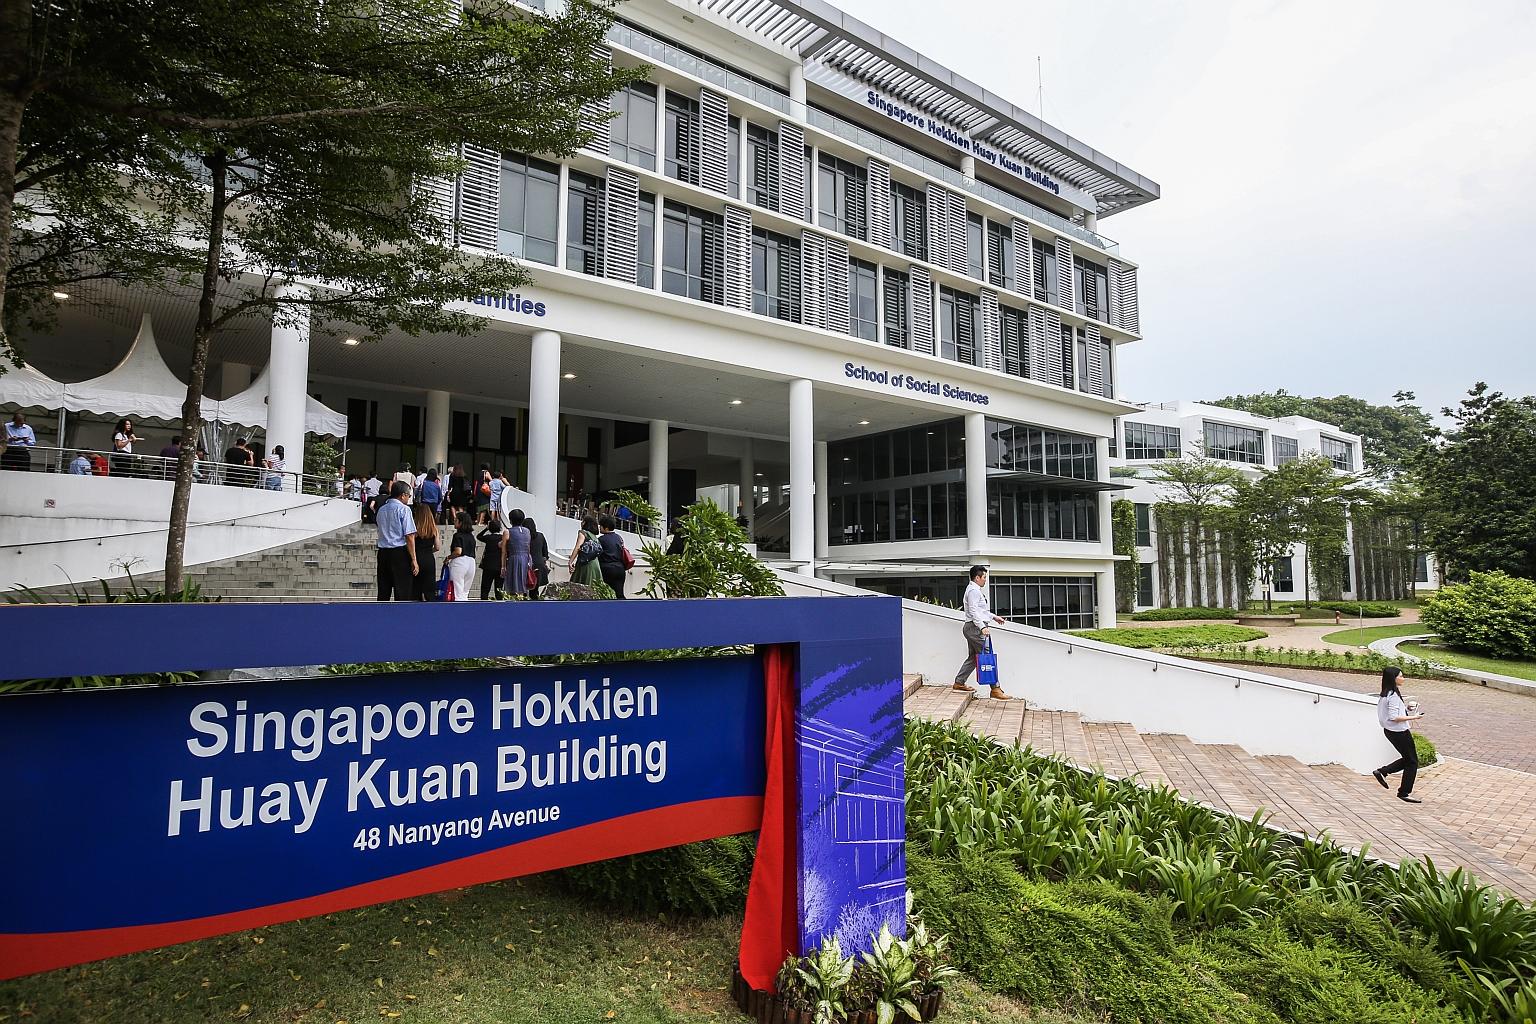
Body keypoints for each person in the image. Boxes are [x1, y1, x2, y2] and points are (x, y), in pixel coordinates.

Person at [954, 565, 1012, 700]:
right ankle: (995, 689)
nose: (985, 580)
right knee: (987, 655)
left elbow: (981, 611)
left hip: (972, 628)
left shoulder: (974, 590)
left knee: (974, 658)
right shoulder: (974, 591)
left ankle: (959, 682)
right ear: (977, 577)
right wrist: (982, 627)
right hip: (975, 628)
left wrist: (994, 617)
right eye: (984, 577)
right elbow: (974, 611)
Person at [1374, 667, 1426, 803]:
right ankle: (1404, 792)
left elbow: (1392, 713)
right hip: (1399, 732)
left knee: (1409, 759)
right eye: (1401, 676)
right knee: (1412, 762)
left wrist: (1407, 709)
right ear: (1394, 678)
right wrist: (1414, 717)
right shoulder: (1393, 695)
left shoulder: (1386, 693)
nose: (1403, 678)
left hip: (1390, 731)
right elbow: (1394, 717)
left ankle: (1383, 772)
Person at [375, 481, 418, 601]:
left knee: (383, 590)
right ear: (403, 495)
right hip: (399, 552)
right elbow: (409, 536)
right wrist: (414, 559)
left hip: (383, 552)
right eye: (409, 496)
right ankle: (402, 617)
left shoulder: (381, 510)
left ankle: (382, 615)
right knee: (402, 590)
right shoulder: (404, 510)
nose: (408, 499)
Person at [500, 507, 532, 598]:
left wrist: (503, 566)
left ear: (510, 520)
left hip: (514, 558)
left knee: (513, 583)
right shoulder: (527, 531)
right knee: (522, 583)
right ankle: (521, 598)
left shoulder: (507, 532)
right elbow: (528, 547)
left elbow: (504, 551)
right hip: (526, 558)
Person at [446, 512, 477, 601]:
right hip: (471, 562)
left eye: (456, 520)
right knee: (465, 592)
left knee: (457, 590)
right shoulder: (471, 537)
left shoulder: (458, 535)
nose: (454, 522)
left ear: (460, 522)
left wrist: (448, 557)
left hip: (460, 562)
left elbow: (458, 551)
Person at [411, 501, 439, 601]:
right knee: (430, 588)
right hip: (429, 558)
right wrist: (429, 550)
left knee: (415, 587)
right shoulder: (434, 528)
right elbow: (437, 547)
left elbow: (411, 544)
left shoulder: (414, 527)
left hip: (417, 558)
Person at [596, 514, 629, 599]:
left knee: (607, 595)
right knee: (619, 594)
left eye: (601, 526)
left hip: (607, 569)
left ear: (606, 528)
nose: (600, 528)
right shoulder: (619, 538)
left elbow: (597, 553)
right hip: (620, 569)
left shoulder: (601, 539)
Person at [569, 514, 604, 588]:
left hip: (585, 564)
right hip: (595, 564)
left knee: (580, 587)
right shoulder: (594, 537)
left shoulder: (583, 533)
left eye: (582, 521)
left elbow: (578, 547)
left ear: (585, 523)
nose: (581, 523)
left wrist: (570, 561)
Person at [477, 517, 504, 600]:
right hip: (500, 566)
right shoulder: (502, 538)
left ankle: (483, 604)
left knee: (485, 588)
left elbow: (479, 536)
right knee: (499, 589)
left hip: (488, 566)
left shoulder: (488, 538)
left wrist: (486, 529)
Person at [525, 517, 551, 599]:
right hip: (539, 566)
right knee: (535, 591)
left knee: (522, 591)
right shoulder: (540, 536)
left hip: (526, 565)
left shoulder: (524, 537)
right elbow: (545, 553)